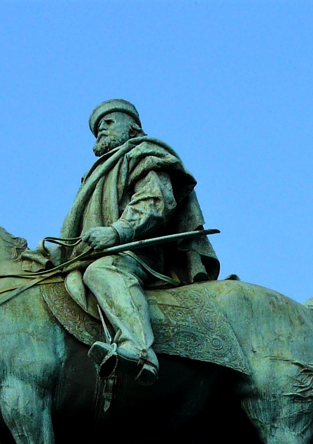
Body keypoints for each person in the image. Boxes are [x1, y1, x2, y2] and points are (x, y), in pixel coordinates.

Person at [56, 99, 219, 385]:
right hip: (93, 251)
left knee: (104, 271)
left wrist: (116, 232)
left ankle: (139, 349)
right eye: (97, 127)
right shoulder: (96, 172)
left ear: (132, 126)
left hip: (136, 252)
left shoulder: (144, 154)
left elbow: (155, 202)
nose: (101, 130)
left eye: (108, 123)